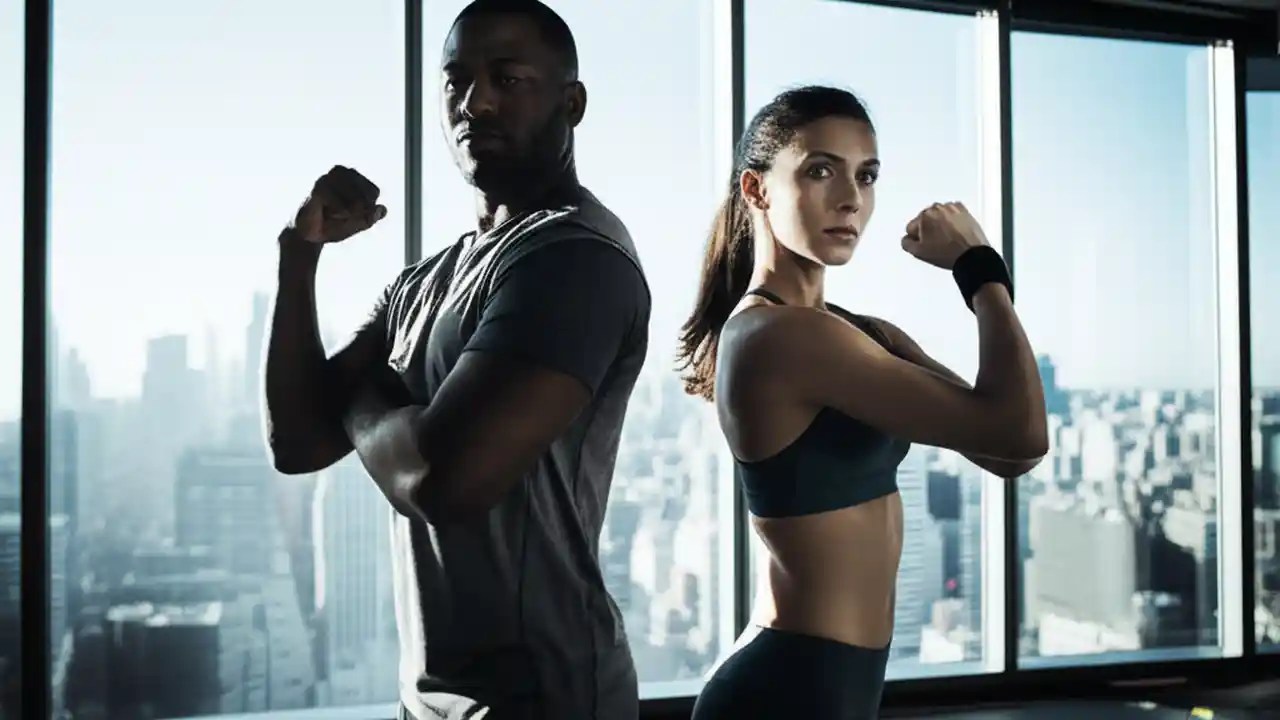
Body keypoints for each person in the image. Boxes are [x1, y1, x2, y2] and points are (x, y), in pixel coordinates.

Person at [262, 1, 650, 718]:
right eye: (457, 81)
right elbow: (298, 441)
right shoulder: (423, 280)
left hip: (547, 698)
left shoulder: (575, 260)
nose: (476, 101)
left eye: (507, 77)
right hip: (429, 701)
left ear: (573, 103)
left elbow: (441, 482)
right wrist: (300, 257)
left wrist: (367, 386)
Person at [677, 85, 1048, 719]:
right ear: (756, 190)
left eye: (866, 175)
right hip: (782, 692)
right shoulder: (777, 336)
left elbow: (1009, 456)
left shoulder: (860, 336)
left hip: (839, 688)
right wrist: (980, 270)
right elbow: (1020, 432)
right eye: (821, 170)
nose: (851, 198)